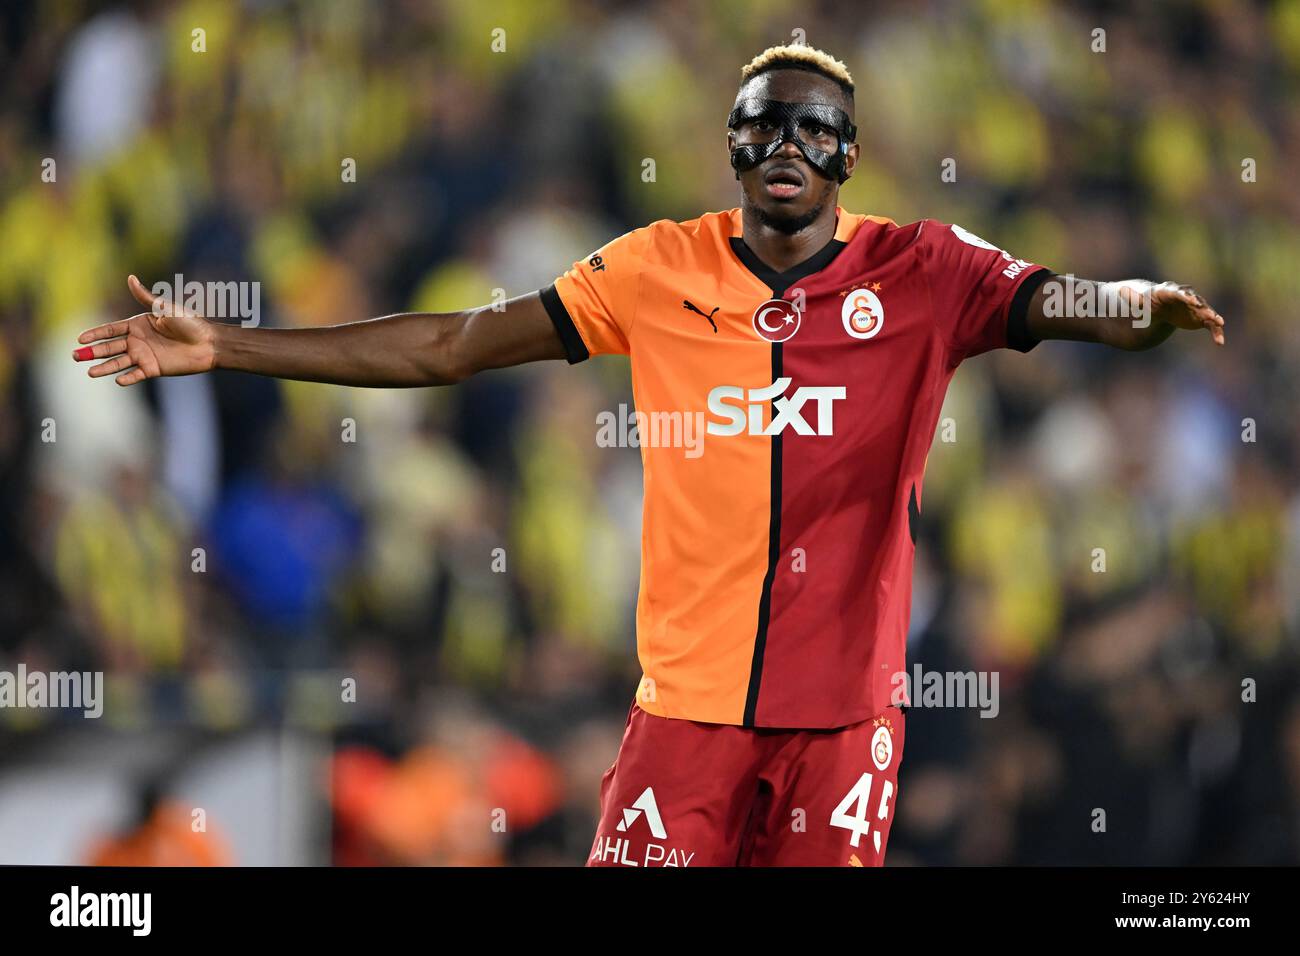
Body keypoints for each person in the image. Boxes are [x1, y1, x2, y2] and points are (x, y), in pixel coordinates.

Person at [72, 45, 1225, 867]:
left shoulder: (923, 269)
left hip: (842, 725)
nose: (787, 145)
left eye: (814, 127)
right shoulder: (654, 268)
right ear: (731, 146)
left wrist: (1136, 307)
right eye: (764, 122)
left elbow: (1055, 298)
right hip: (688, 714)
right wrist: (231, 343)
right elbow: (454, 345)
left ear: (848, 154)